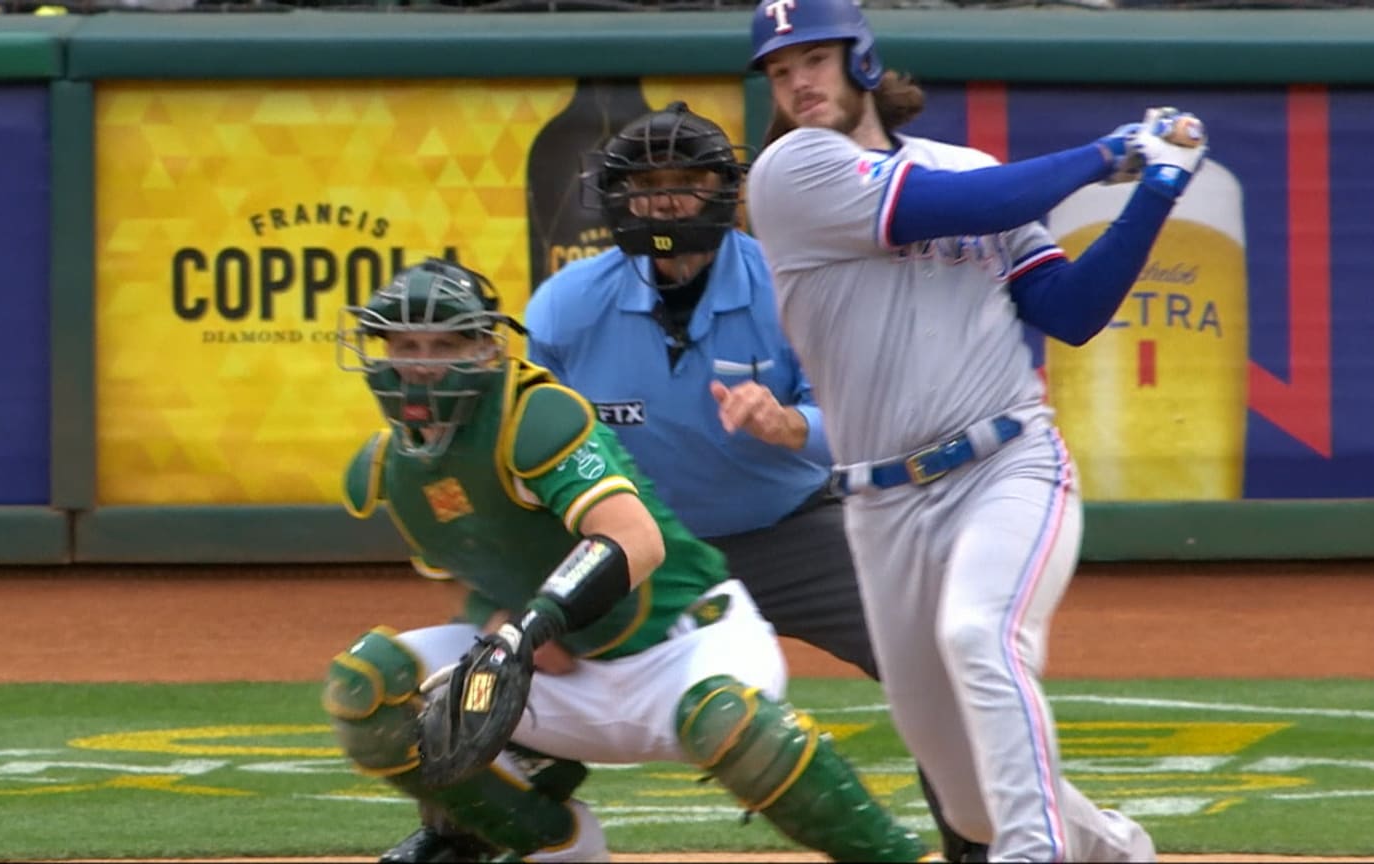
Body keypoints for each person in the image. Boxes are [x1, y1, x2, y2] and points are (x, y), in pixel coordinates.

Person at [743, 0, 1208, 860]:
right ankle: (1114, 849)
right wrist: (1110, 154)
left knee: (979, 634)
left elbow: (1069, 310)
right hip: (880, 508)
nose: (797, 81)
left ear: (864, 61)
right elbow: (953, 204)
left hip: (1005, 465)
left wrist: (1157, 190)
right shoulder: (790, 173)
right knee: (969, 804)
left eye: (814, 58)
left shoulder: (961, 164)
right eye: (779, 70)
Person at [324, 257, 932, 863]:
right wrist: (496, 621)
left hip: (680, 645)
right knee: (367, 686)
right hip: (554, 668)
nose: (424, 366)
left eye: (445, 345)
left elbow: (634, 540)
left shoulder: (531, 415)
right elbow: (478, 570)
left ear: (485, 351)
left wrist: (530, 626)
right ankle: (543, 841)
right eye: (407, 345)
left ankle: (899, 858)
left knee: (731, 724)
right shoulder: (387, 472)